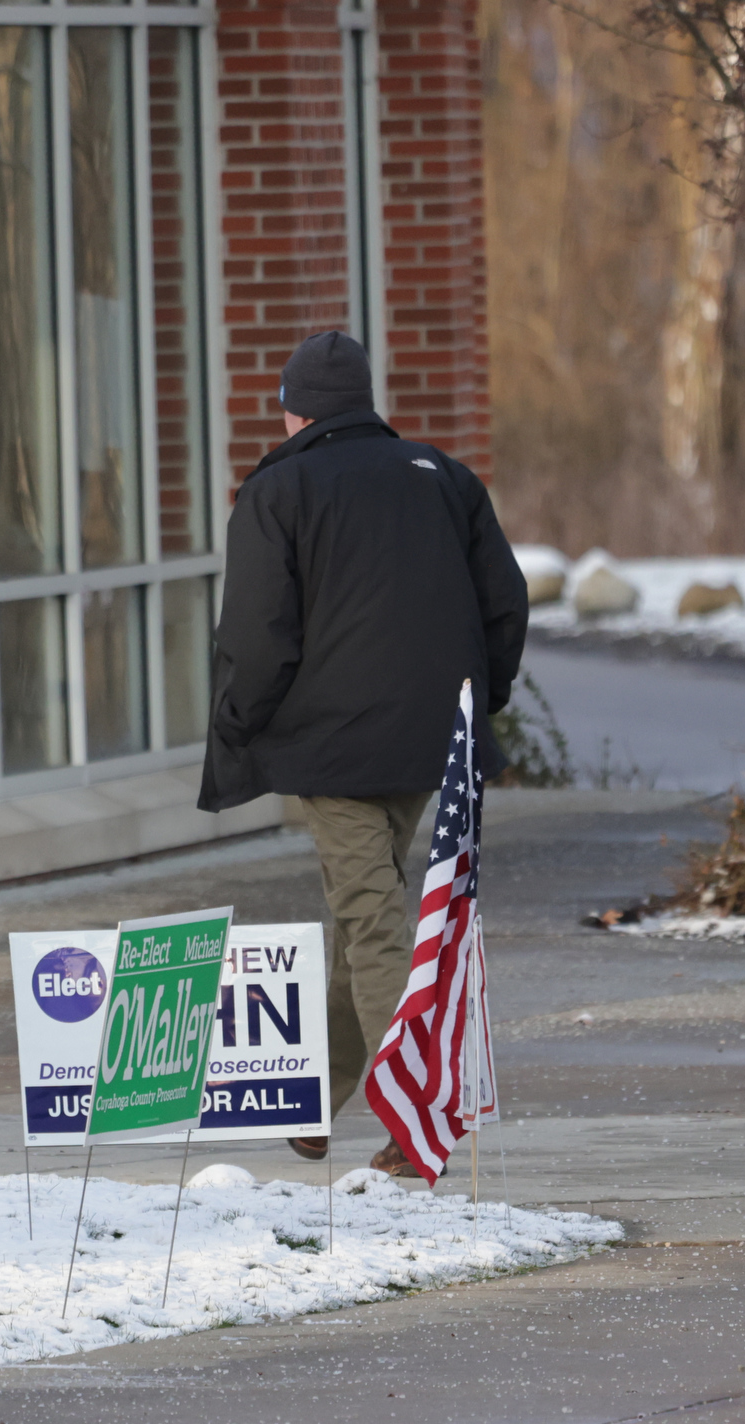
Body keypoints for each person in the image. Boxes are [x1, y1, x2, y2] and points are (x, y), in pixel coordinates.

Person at [197, 331, 528, 1177]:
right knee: (362, 906)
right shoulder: (443, 478)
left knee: (373, 918)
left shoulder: (277, 491)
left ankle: (419, 1125)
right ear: (365, 402)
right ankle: (317, 1096)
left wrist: (238, 721)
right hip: (430, 741)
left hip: (332, 748)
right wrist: (476, 701)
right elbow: (505, 601)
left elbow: (257, 635)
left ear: (293, 408)